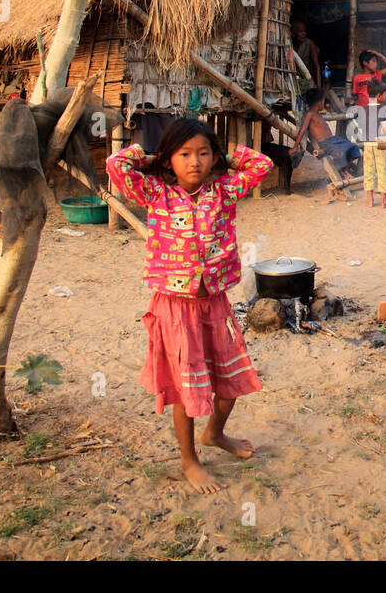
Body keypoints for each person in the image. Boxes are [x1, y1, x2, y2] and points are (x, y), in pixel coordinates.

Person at [106, 119, 272, 494]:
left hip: (215, 303)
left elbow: (261, 164)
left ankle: (215, 434)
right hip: (175, 309)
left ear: (213, 158)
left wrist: (225, 159)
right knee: (186, 390)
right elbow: (117, 165)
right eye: (184, 155)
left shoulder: (225, 190)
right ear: (169, 161)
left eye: (202, 153)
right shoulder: (155, 194)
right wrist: (149, 159)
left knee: (230, 383)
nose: (194, 162)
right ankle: (188, 461)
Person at [291, 87, 360, 201]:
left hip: (334, 139)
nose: (324, 104)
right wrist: (295, 145)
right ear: (319, 103)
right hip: (326, 143)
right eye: (323, 101)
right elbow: (303, 130)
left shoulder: (318, 114)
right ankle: (342, 172)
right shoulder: (310, 115)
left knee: (353, 148)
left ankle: (344, 170)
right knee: (340, 153)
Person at [360, 78, 386, 209]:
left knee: (369, 171)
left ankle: (370, 200)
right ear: (379, 96)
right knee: (383, 170)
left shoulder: (362, 110)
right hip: (381, 145)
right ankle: (383, 201)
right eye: (385, 94)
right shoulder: (384, 110)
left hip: (367, 145)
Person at [289, 19, 322, 92]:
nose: (304, 34)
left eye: (304, 31)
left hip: (307, 78)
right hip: (294, 78)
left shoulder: (309, 43)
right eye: (301, 31)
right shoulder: (289, 45)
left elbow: (317, 66)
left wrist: (318, 88)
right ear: (293, 33)